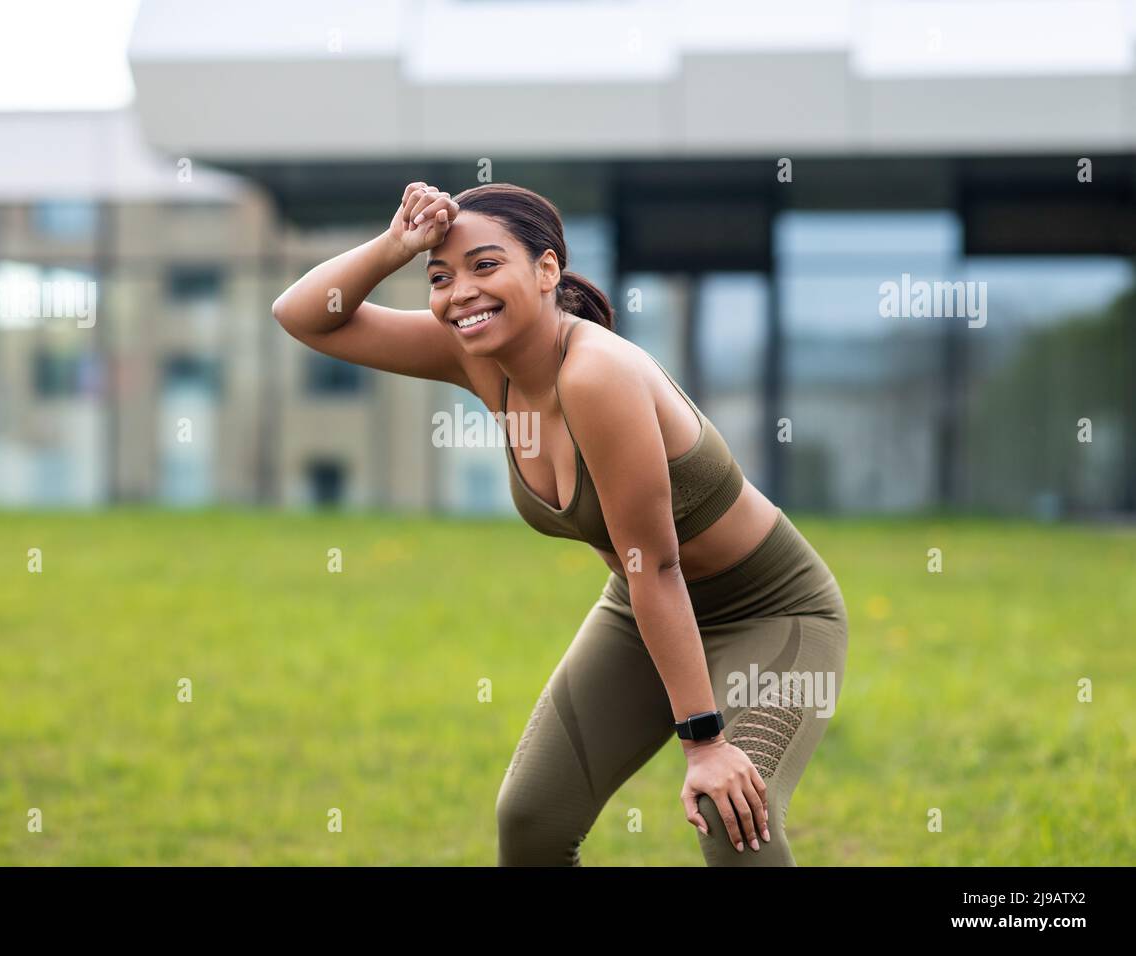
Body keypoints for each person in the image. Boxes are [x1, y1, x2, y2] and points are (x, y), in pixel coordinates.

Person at [272, 181, 849, 866]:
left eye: (486, 266)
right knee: (533, 820)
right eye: (439, 276)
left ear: (548, 270)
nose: (461, 293)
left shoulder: (597, 373)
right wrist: (397, 244)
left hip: (770, 612)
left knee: (733, 822)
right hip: (643, 609)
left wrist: (704, 742)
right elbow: (304, 315)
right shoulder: (477, 358)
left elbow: (658, 565)